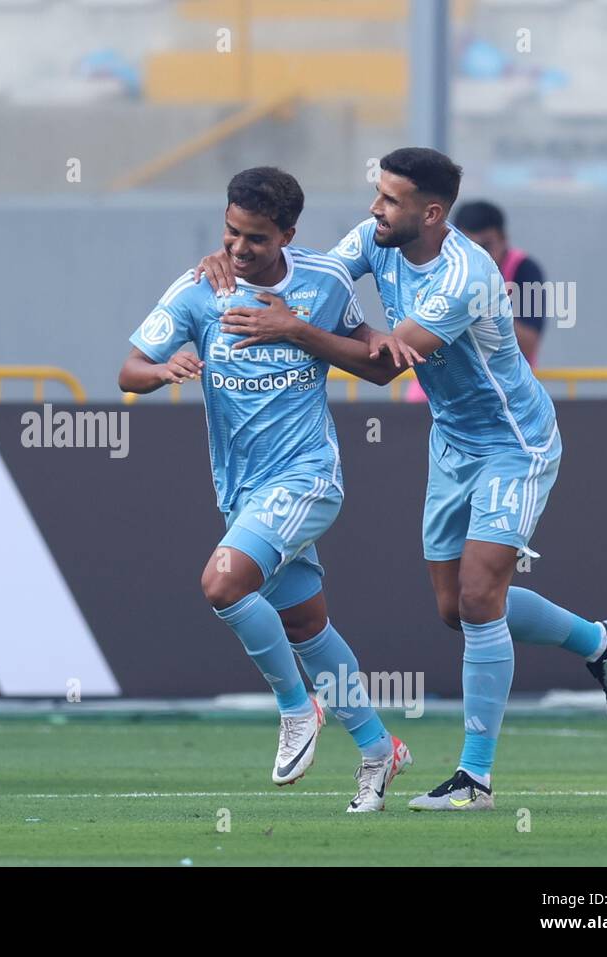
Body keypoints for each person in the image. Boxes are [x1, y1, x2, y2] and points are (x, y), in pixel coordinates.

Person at [196, 147, 607, 813]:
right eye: (378, 193)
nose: (375, 208)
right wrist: (230, 264)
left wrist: (290, 327)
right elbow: (310, 276)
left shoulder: (464, 275)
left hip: (512, 442)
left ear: (430, 213)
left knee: (483, 594)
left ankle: (475, 779)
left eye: (391, 199)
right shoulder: (377, 237)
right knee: (457, 609)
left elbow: (383, 365)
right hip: (452, 440)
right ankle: (601, 641)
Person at [121, 167, 412, 812]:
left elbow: (371, 359)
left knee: (222, 582)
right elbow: (128, 371)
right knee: (307, 625)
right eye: (230, 232)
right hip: (242, 490)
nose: (238, 249)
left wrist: (338, 336)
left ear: (287, 234)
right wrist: (162, 369)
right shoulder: (201, 289)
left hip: (308, 476)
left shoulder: (324, 283)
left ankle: (294, 707)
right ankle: (377, 751)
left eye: (255, 237)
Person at [453, 199, 547, 365]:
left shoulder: (526, 270)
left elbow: (529, 344)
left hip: (506, 384)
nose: (477, 256)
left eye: (485, 246)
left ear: (503, 239)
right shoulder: (441, 268)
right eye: (469, 247)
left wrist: (481, 303)